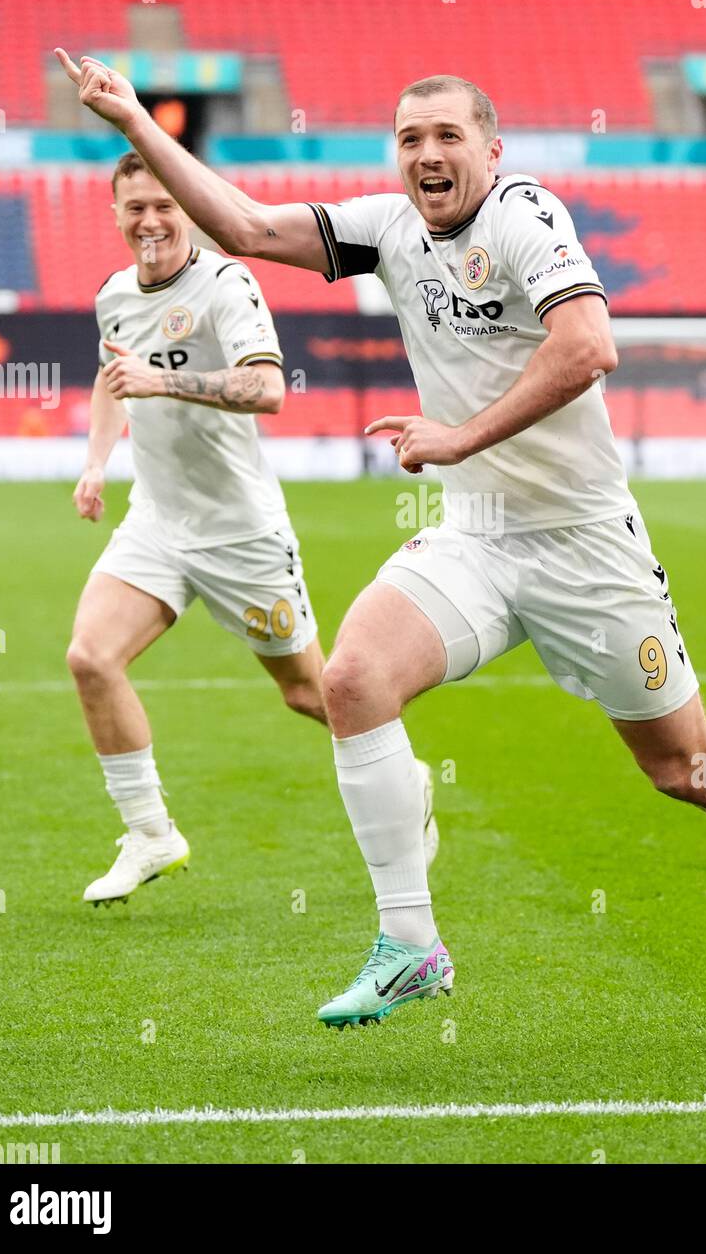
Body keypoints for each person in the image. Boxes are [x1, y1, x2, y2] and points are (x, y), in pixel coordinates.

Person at [56, 50, 706, 1024]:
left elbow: (588, 346)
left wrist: (456, 434)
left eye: (447, 134)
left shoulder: (524, 216)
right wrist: (133, 122)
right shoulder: (387, 226)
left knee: (684, 767)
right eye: (410, 137)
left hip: (584, 544)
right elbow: (242, 226)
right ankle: (410, 945)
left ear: (490, 150)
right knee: (352, 677)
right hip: (476, 537)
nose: (426, 153)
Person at [68, 150, 437, 905]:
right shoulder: (113, 293)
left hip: (240, 533)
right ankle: (150, 833)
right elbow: (115, 377)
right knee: (89, 657)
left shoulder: (227, 282)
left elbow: (267, 389)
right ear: (115, 215)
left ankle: (409, 782)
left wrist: (161, 379)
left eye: (164, 205)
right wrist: (96, 462)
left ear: (189, 209)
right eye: (135, 207)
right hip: (157, 521)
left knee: (313, 694)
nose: (150, 221)